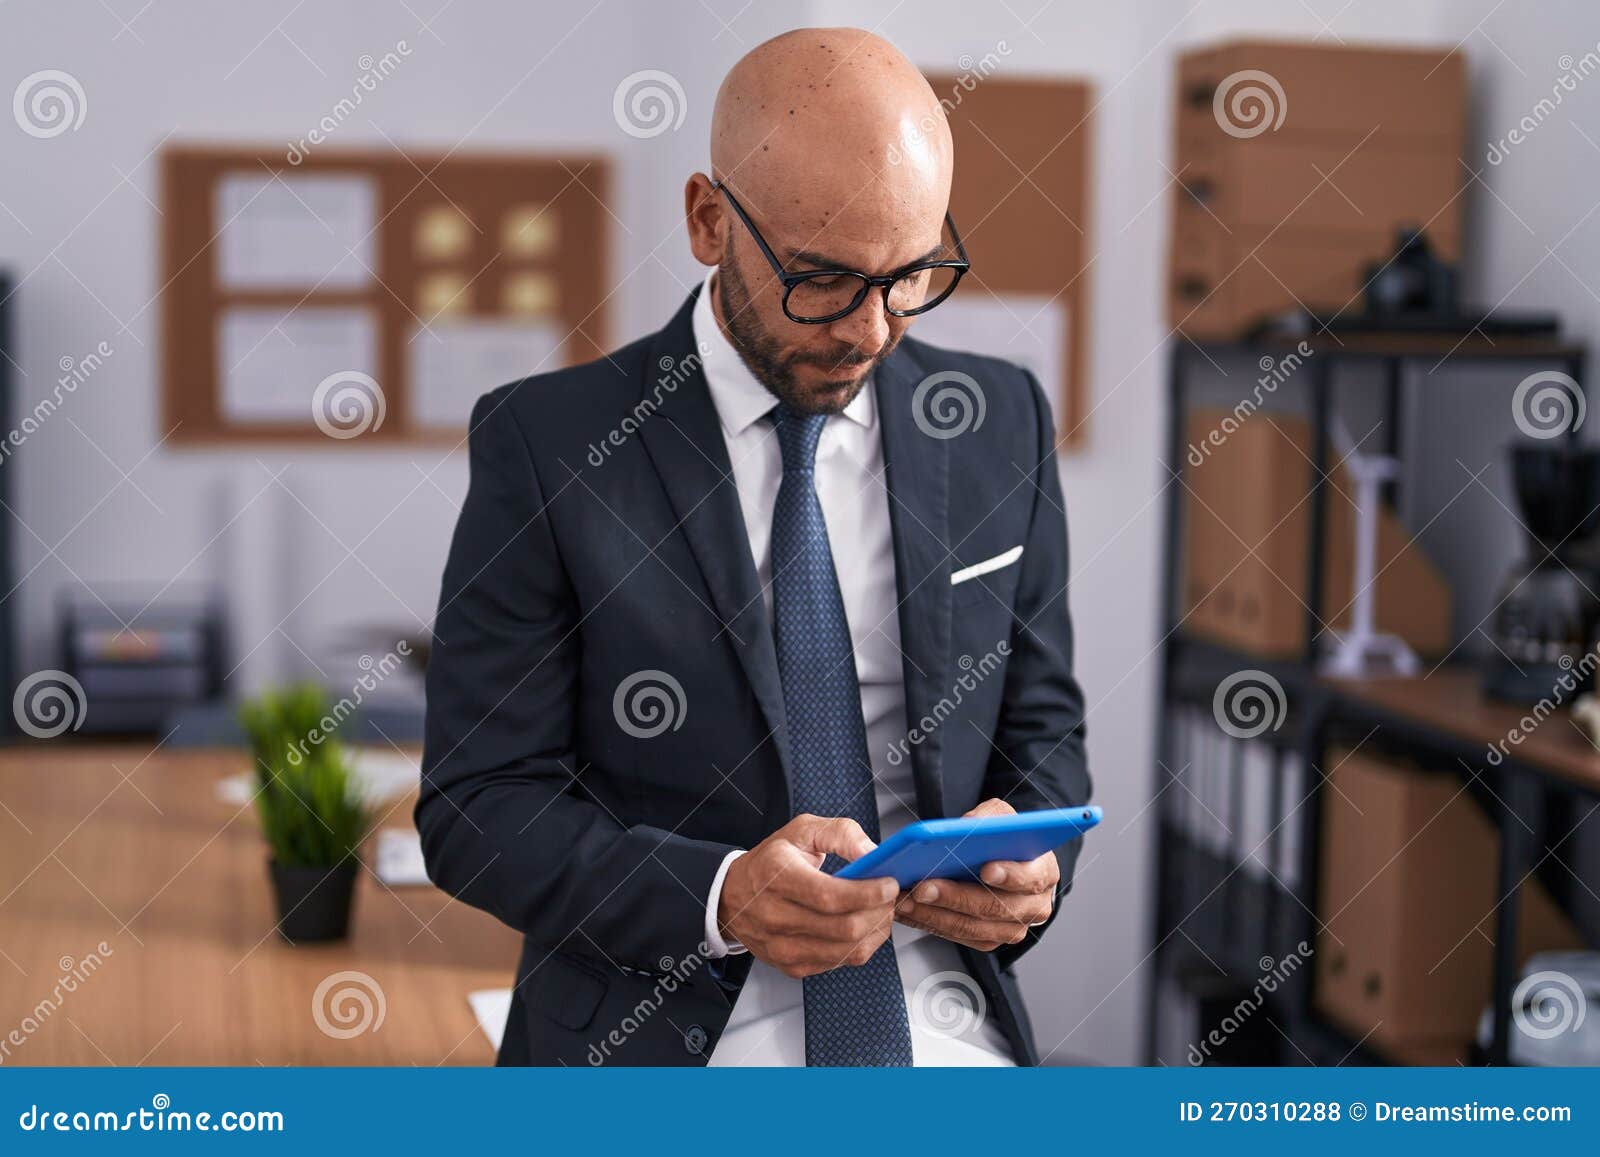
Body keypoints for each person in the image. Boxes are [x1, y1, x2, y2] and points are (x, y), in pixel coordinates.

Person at [417, 25, 1090, 1067]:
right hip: (661, 1037)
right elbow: (477, 805)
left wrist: (1030, 862)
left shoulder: (999, 420)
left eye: (910, 274)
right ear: (706, 219)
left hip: (949, 1026)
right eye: (821, 279)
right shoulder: (550, 447)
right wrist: (722, 894)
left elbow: (1043, 726)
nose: (870, 328)